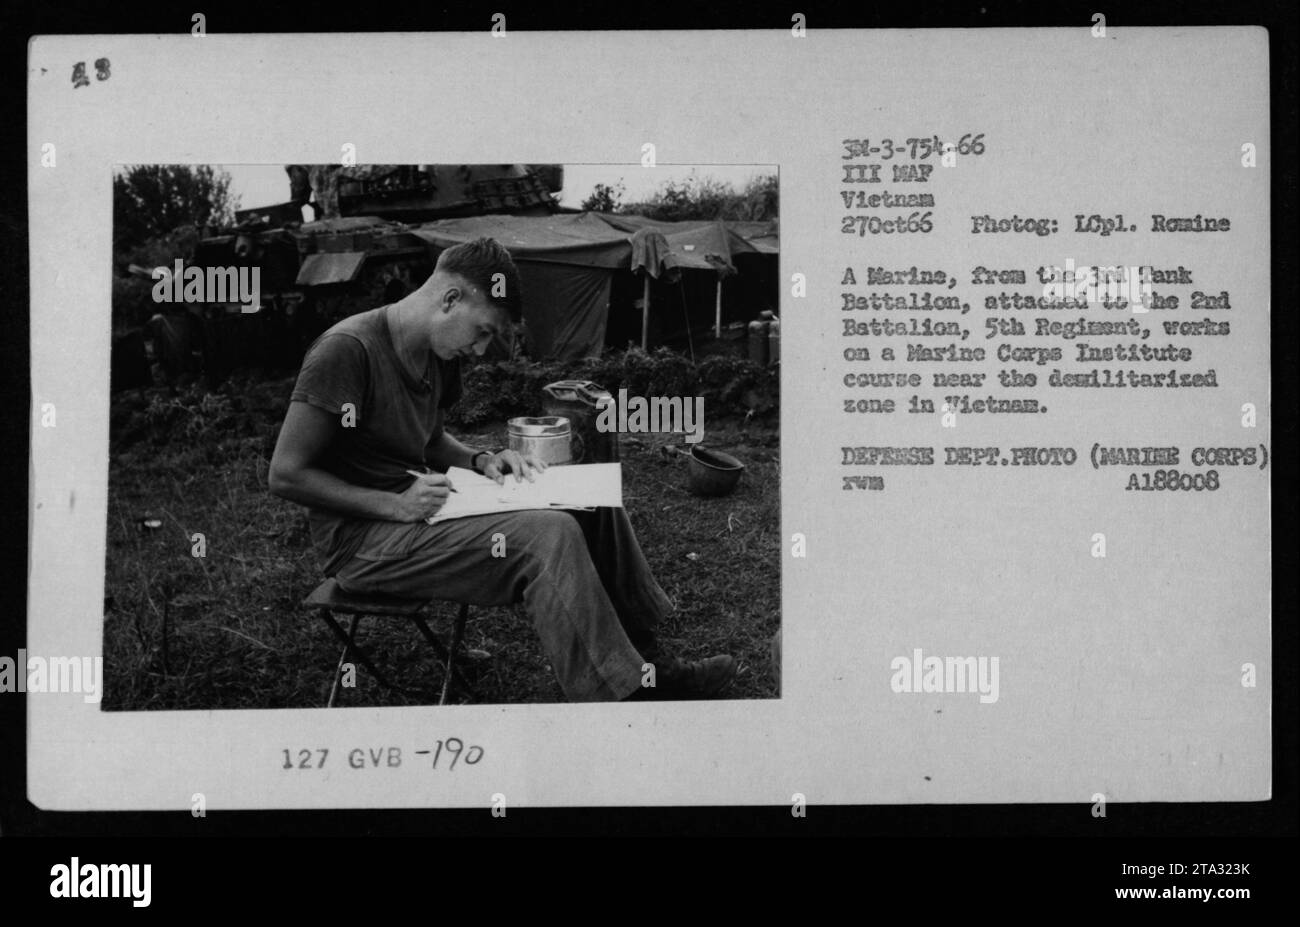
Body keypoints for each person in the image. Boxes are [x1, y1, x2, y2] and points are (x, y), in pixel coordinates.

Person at [268, 237, 736, 702]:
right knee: (547, 534)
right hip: (362, 542)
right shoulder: (346, 351)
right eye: (484, 331)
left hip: (424, 510)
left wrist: (481, 459)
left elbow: (427, 438)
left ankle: (647, 659)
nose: (480, 350)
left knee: (591, 501)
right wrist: (393, 505)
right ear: (451, 299)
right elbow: (286, 474)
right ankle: (621, 699)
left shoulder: (436, 351)